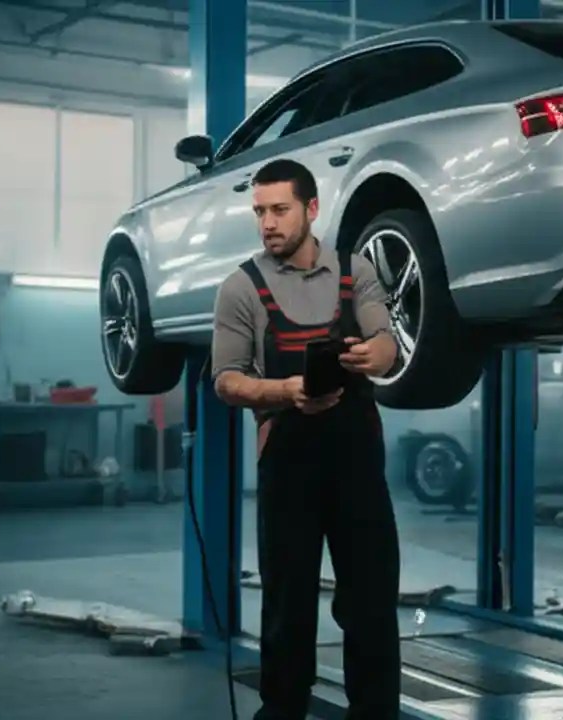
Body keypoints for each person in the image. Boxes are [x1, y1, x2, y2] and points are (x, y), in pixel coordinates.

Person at [210, 157, 402, 720]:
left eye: (279, 210)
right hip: (288, 466)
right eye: (259, 212)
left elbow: (386, 337)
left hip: (357, 465)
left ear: (311, 209)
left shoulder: (355, 270)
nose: (267, 223)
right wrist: (286, 390)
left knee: (369, 602)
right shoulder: (240, 288)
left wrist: (377, 354)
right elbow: (226, 380)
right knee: (288, 605)